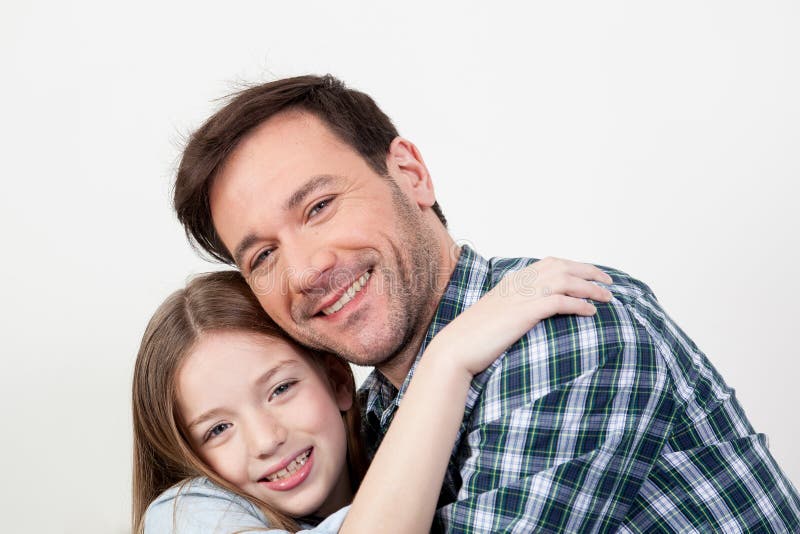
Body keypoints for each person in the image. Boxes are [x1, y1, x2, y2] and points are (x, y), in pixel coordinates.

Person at [172, 74, 800, 532]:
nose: (305, 270)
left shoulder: (568, 335)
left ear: (411, 175)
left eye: (318, 207)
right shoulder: (368, 421)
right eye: (262, 256)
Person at [133, 264, 612, 533]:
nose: (265, 440)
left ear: (340, 381)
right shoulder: (183, 516)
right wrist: (446, 361)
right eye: (218, 429)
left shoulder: (401, 442)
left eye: (280, 389)